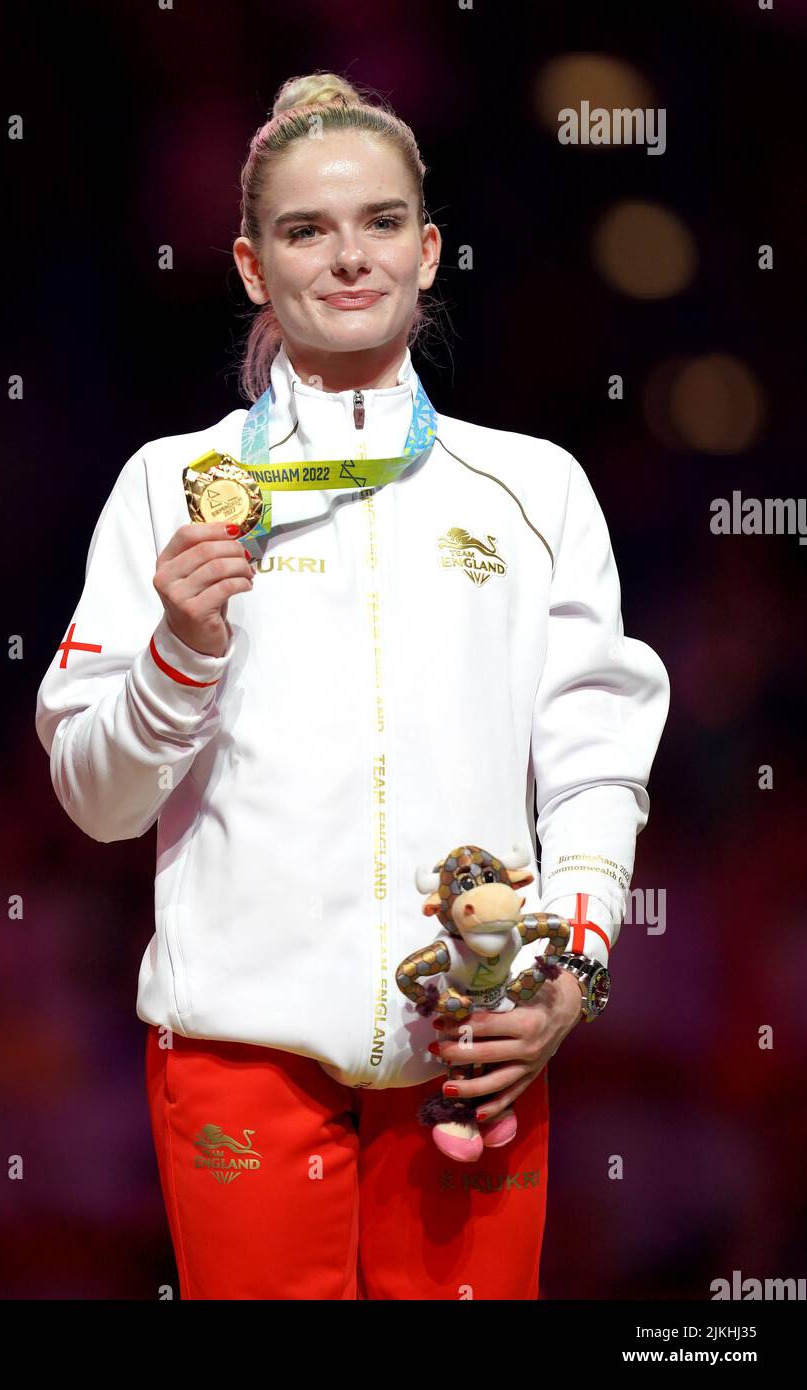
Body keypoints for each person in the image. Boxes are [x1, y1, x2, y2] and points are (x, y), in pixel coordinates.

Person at [34, 71, 670, 1300]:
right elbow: (96, 802)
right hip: (242, 1057)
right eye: (305, 230)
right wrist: (179, 648)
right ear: (248, 263)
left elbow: (594, 761)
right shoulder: (171, 485)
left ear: (428, 251)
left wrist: (570, 975)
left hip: (476, 1041)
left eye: (380, 223)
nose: (347, 258)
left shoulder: (532, 490)